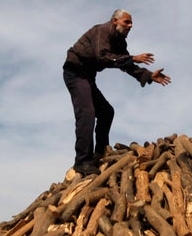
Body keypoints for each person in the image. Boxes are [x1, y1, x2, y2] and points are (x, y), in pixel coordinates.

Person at [63, 9, 170, 175]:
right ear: (115, 21)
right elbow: (102, 56)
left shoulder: (120, 43)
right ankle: (82, 161)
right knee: (87, 113)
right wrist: (132, 57)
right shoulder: (102, 31)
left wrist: (148, 75)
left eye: (131, 23)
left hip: (88, 77)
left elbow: (127, 65)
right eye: (126, 22)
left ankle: (100, 153)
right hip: (75, 73)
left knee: (106, 112)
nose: (130, 25)